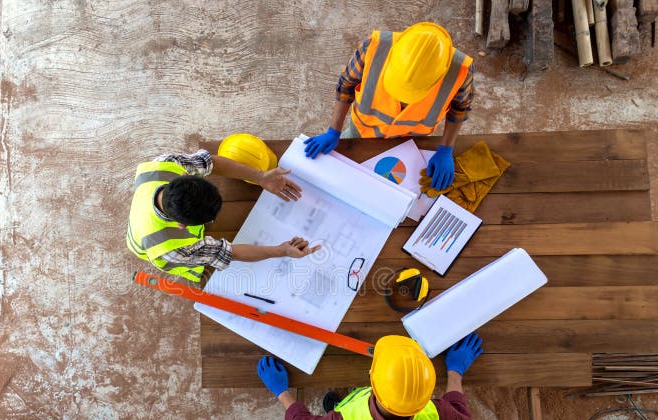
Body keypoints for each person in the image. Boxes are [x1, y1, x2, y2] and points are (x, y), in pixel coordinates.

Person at [256, 333, 483, 420]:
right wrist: (456, 370)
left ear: (372, 379)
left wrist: (281, 390)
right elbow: (459, 412)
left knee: (337, 409)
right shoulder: (439, 419)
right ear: (428, 399)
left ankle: (335, 407)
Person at [303, 22, 475, 191]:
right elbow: (346, 86)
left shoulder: (460, 71)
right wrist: (334, 131)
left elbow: (460, 108)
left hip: (411, 143)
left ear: (440, 75)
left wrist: (446, 148)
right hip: (361, 132)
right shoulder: (374, 48)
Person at [127, 148, 321, 282]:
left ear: (187, 176)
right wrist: (282, 251)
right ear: (182, 225)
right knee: (197, 266)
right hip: (146, 244)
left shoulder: (166, 164)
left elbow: (210, 162)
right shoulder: (171, 249)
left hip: (146, 207)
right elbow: (230, 253)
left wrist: (260, 177)